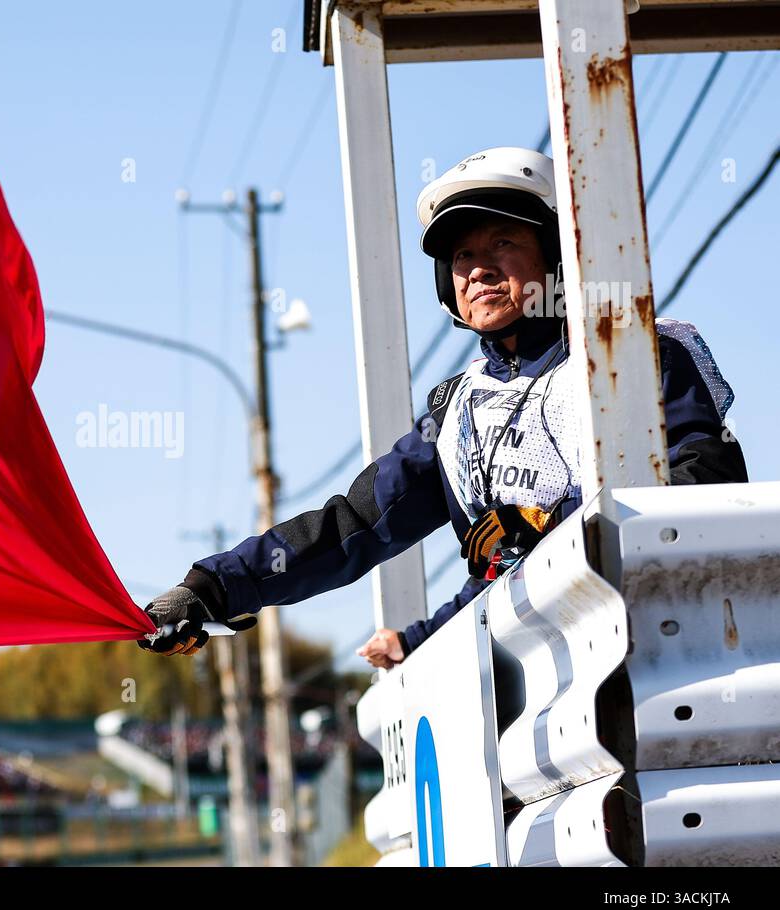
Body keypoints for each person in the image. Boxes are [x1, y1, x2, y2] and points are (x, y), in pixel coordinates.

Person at [139, 146, 747, 663]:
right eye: (460, 256)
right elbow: (352, 529)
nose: (477, 270)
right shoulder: (458, 412)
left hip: (664, 661)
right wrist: (215, 587)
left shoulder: (634, 352)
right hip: (536, 694)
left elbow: (700, 480)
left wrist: (556, 524)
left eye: (502, 242)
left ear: (560, 255)